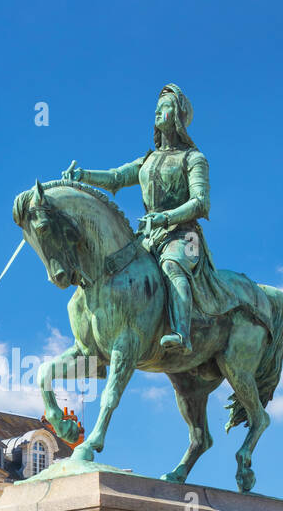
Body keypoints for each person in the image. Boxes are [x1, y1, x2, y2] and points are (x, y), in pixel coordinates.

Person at [62, 84, 235, 356]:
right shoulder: (148, 159)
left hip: (185, 236)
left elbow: (201, 203)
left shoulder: (193, 158)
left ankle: (181, 332)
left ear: (177, 115)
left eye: (165, 106)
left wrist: (166, 217)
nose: (158, 112)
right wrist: (83, 175)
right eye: (157, 107)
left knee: (171, 265)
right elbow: (116, 177)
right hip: (149, 237)